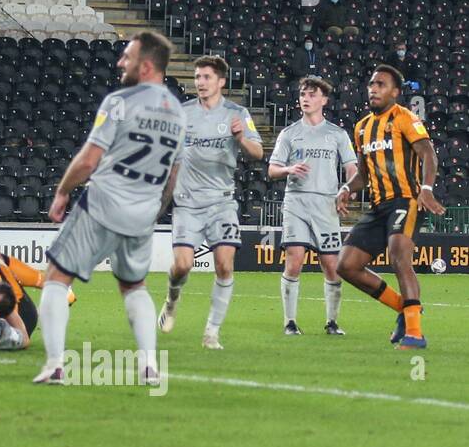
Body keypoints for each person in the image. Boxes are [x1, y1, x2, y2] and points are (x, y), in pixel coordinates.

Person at [34, 30, 186, 385]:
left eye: (127, 57)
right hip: (143, 213)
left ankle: (55, 363)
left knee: (56, 277)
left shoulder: (120, 102)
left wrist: (61, 192)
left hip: (103, 203)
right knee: (134, 286)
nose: (120, 62)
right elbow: (174, 175)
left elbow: (89, 159)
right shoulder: (179, 114)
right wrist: (154, 210)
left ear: (146, 66)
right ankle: (149, 364)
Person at [336, 65, 445, 349]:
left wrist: (427, 188)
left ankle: (415, 334)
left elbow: (428, 153)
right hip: (378, 205)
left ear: (395, 92)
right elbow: (363, 172)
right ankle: (405, 308)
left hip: (406, 200)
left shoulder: (405, 118)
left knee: (398, 255)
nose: (373, 88)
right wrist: (347, 188)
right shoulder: (361, 128)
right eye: (371, 83)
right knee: (346, 266)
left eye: (381, 84)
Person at [159, 56, 263, 350]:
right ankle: (172, 299)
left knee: (224, 265)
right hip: (187, 203)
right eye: (197, 77)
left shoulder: (237, 113)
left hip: (221, 203)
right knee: (182, 265)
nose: (200, 82)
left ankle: (211, 332)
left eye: (206, 77)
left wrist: (241, 137)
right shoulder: (182, 113)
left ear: (221, 82)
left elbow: (257, 152)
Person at [268, 77, 359, 336]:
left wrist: (347, 190)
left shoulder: (337, 134)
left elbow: (351, 167)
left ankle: (332, 322)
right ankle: (290, 322)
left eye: (311, 94)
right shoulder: (289, 134)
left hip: (326, 204)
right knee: (294, 261)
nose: (305, 98)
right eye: (302, 94)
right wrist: (288, 169)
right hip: (296, 202)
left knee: (331, 265)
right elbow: (272, 169)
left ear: (324, 100)